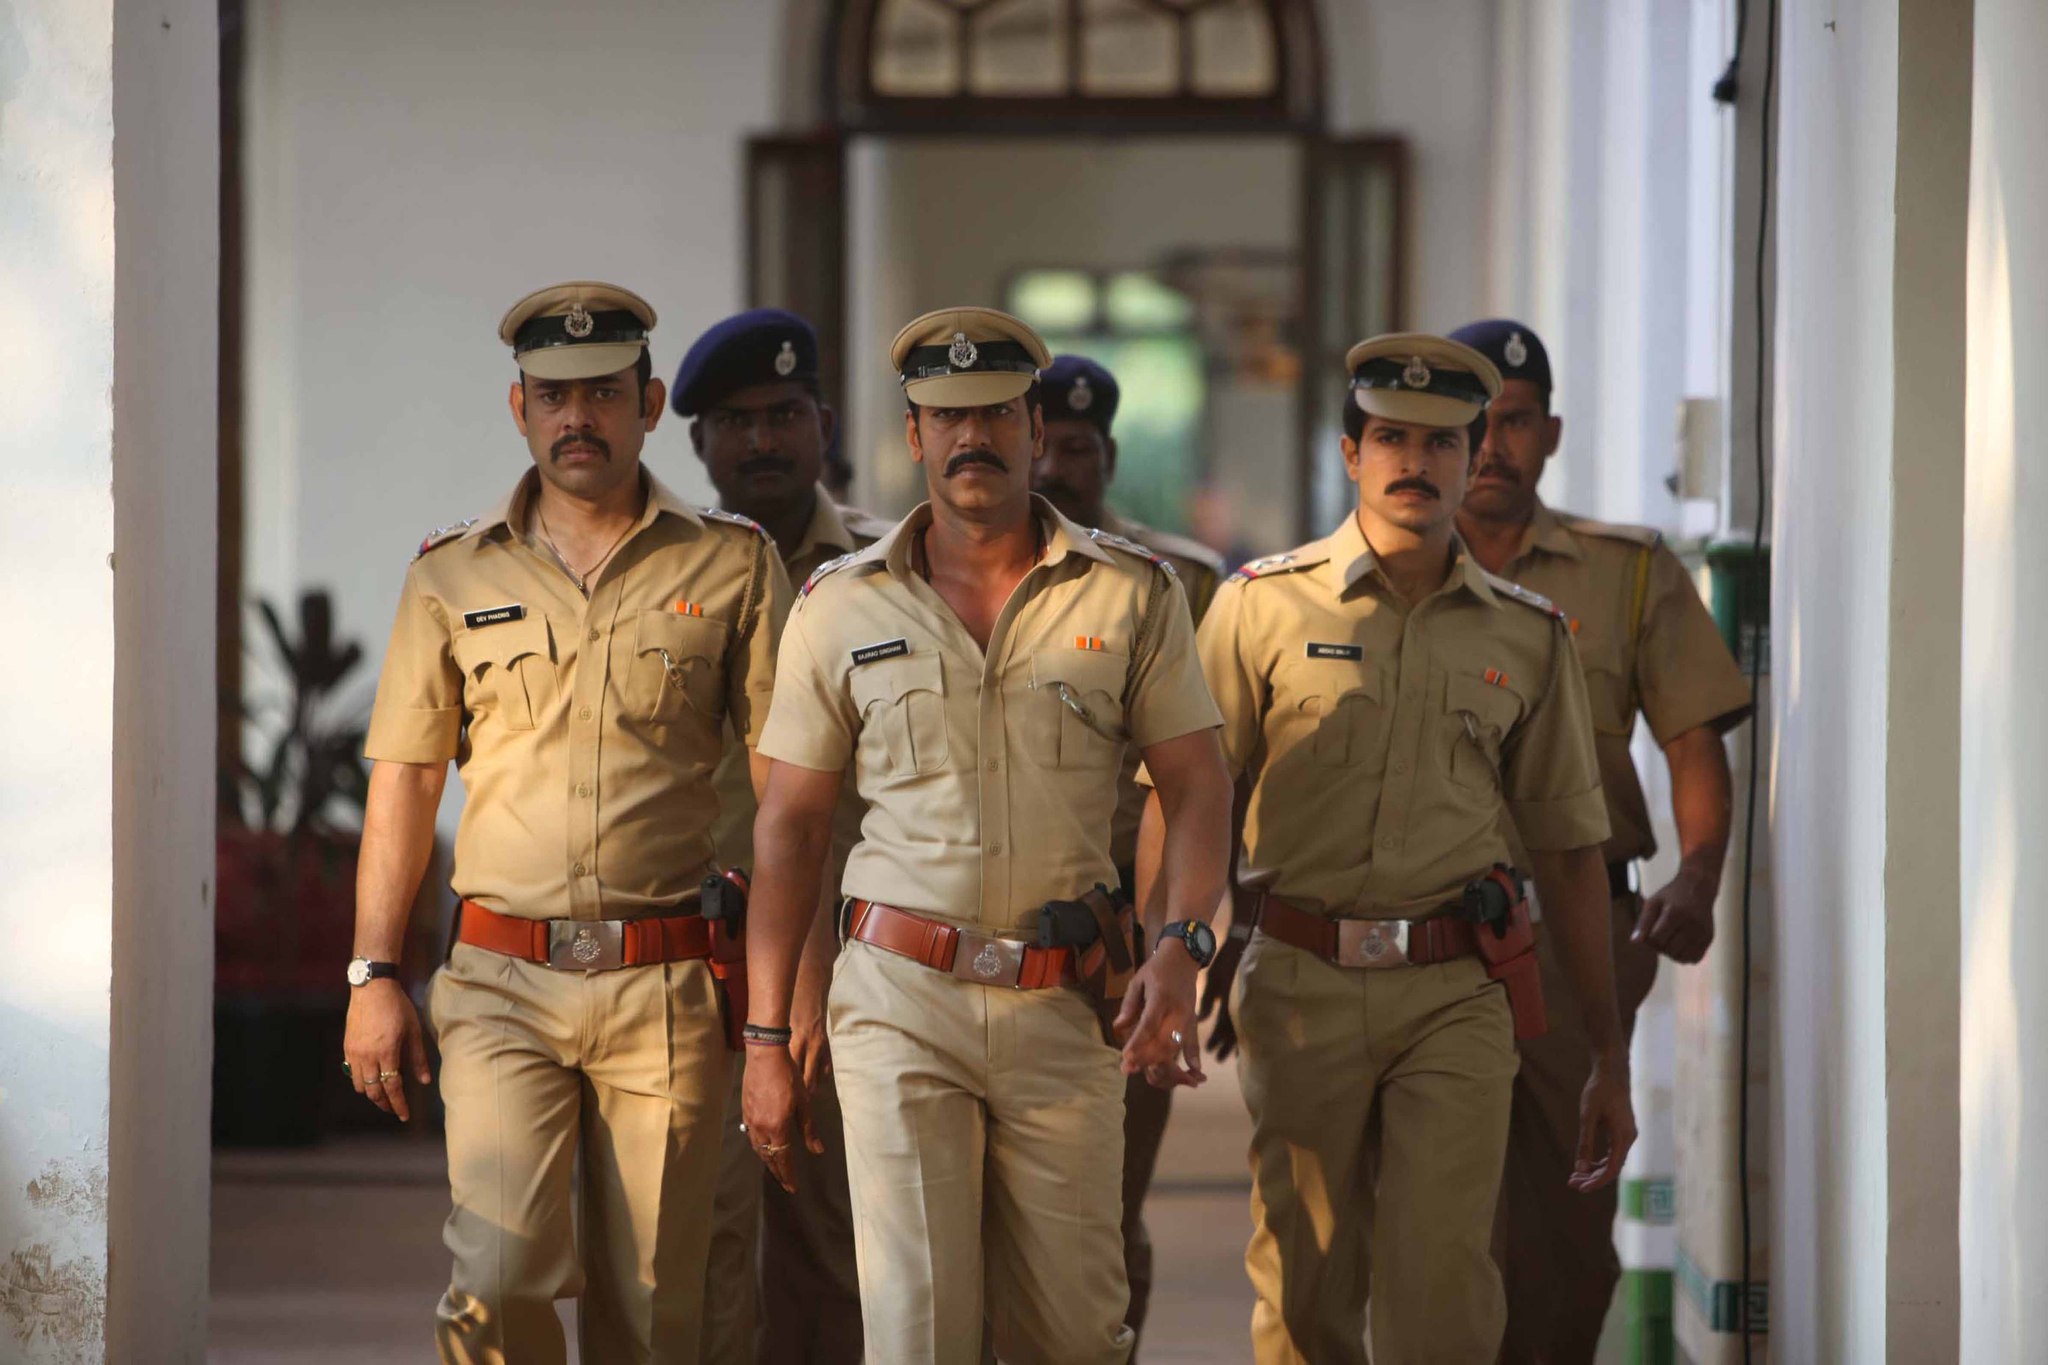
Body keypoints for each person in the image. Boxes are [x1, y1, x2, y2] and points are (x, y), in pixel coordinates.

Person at [741, 307, 1234, 1365]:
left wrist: (1178, 948)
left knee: (1074, 1333)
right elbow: (788, 829)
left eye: (997, 412)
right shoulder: (839, 606)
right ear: (912, 434)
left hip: (1065, 1006)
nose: (973, 435)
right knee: (917, 1330)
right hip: (896, 1001)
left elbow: (1195, 788)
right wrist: (765, 1037)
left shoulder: (1130, 595)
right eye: (946, 414)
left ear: (1031, 426)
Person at [1152, 331, 1636, 1363]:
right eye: (1390, 438)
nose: (1415, 463)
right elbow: (1192, 799)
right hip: (1299, 984)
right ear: (1348, 453)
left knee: (1443, 1286)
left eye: (1442, 442)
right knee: (1304, 1281)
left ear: (1470, 459)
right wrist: (1175, 952)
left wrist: (1605, 1053)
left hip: (1455, 994)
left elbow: (1565, 849)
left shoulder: (1526, 633)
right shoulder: (1258, 606)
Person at [343, 280, 791, 1364]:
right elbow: (403, 784)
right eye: (553, 396)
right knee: (497, 1280)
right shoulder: (450, 574)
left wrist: (779, 1014)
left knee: (656, 1307)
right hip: (501, 981)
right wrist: (372, 978)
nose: (575, 417)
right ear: (519, 409)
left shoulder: (732, 564)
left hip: (670, 983)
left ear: (648, 404)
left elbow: (791, 803)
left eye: (600, 392)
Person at [1447, 318, 1752, 1363]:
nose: (1491, 445)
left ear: (1551, 433)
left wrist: (1697, 875)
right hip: (1409, 938)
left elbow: (1690, 742)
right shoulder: (1372, 579)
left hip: (1576, 938)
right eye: (1470, 424)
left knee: (1566, 1236)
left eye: (1515, 422)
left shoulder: (1623, 575)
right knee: (1427, 1234)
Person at [674, 308, 888, 1365]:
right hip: (681, 962)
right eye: (736, 421)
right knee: (692, 1248)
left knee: (835, 1242)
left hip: (849, 965)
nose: (762, 440)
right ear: (698, 444)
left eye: (783, 415)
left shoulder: (894, 571)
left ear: (824, 425)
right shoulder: (654, 574)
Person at [1030, 353, 1225, 1350]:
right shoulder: (952, 578)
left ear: (1106, 455)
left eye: (1078, 449)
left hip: (1121, 946)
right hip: (999, 940)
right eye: (1045, 446)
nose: (1059, 467)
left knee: (1105, 1212)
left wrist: (1186, 939)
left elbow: (1211, 778)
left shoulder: (1179, 581)